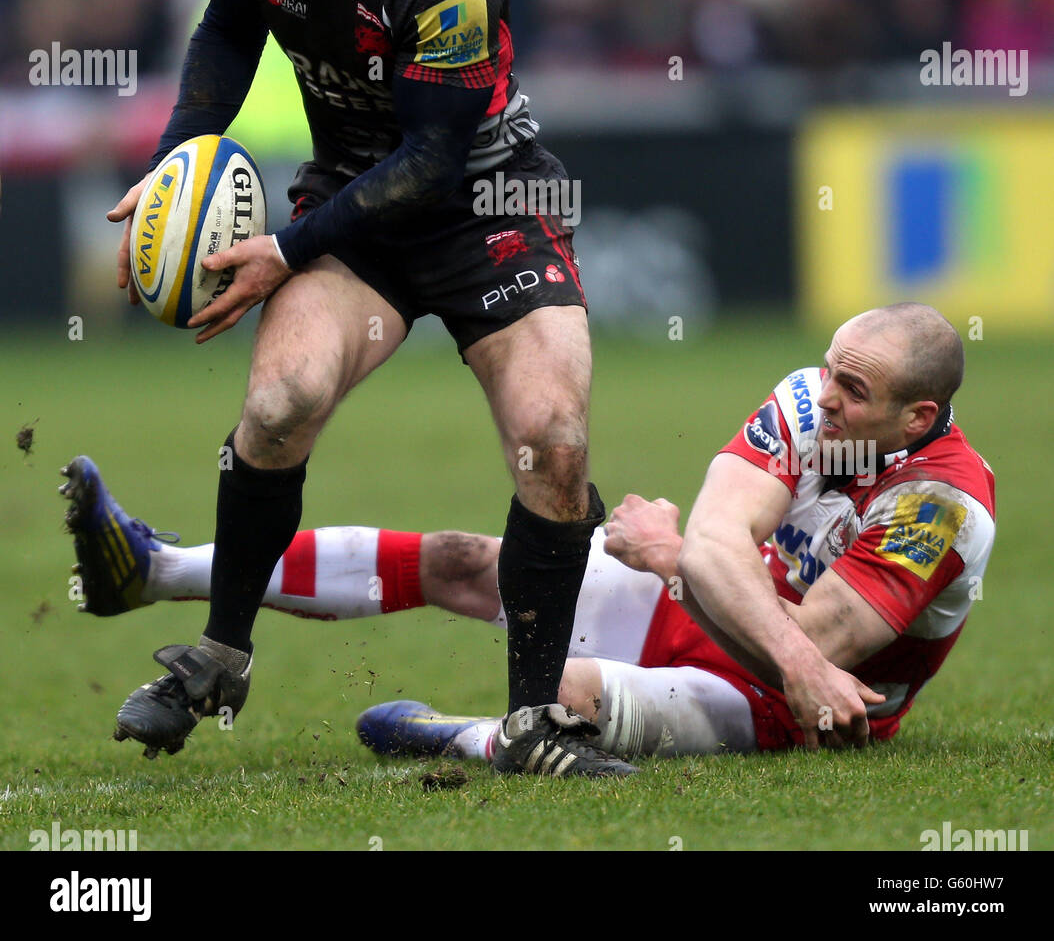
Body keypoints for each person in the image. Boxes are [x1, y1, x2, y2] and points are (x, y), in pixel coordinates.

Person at [103, 0, 633, 776]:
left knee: (553, 438)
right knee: (276, 405)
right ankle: (218, 653)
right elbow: (222, 40)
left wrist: (286, 250)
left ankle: (535, 720)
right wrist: (176, 166)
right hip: (353, 203)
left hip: (487, 206)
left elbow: (433, 161)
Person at [64, 304, 996, 761]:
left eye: (855, 390)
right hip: (724, 605)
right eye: (830, 369)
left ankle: (456, 737)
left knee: (568, 691)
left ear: (917, 420)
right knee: (467, 561)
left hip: (785, 703)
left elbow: (815, 650)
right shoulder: (812, 395)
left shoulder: (939, 506)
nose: (825, 394)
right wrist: (691, 559)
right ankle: (151, 569)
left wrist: (679, 560)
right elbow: (718, 531)